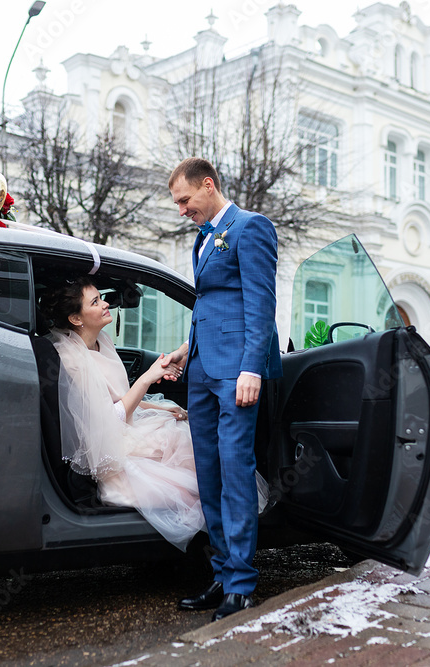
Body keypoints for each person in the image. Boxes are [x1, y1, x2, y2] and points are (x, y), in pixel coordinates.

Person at [163, 157, 282, 622]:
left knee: (235, 472)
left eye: (185, 200)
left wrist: (252, 367)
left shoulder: (250, 228)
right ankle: (220, 574)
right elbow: (216, 304)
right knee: (208, 473)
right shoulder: (203, 237)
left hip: (236, 374)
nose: (181, 210)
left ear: (208, 186)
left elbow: (259, 303)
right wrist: (185, 349)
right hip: (202, 370)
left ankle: (242, 585)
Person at [40, 277, 205, 550]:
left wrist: (161, 407)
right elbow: (109, 420)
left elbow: (118, 399)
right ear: (76, 318)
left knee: (184, 427)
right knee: (187, 447)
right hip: (107, 443)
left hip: (124, 425)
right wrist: (148, 378)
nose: (106, 304)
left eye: (100, 297)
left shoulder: (102, 340)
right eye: (95, 302)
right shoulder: (69, 359)